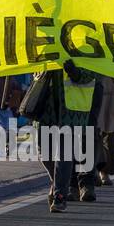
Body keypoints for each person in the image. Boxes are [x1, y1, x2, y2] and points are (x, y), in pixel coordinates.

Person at [35, 60, 96, 211]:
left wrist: (75, 72)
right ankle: (57, 183)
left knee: (64, 154)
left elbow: (91, 73)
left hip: (71, 110)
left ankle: (60, 196)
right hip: (46, 106)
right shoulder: (47, 44)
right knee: (44, 152)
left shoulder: (86, 45)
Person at [94, 75, 114, 187]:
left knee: (111, 133)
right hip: (96, 82)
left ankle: (104, 172)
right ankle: (95, 170)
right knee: (95, 131)